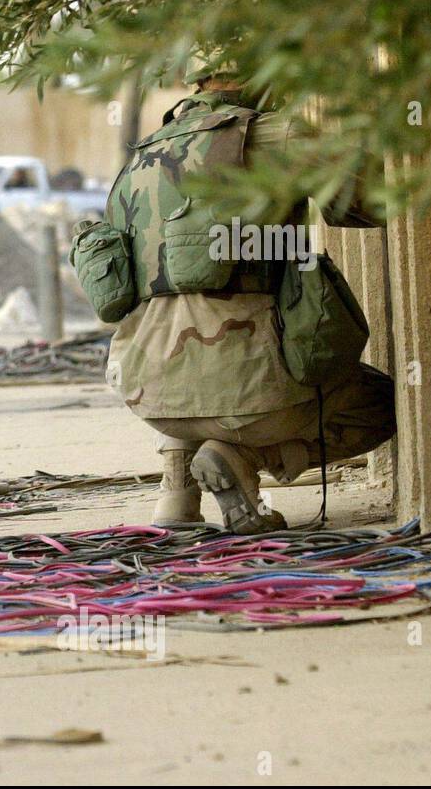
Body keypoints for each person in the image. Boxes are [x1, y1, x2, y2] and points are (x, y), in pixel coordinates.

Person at [98, 63, 395, 533]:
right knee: (383, 406)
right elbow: (376, 202)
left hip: (149, 394)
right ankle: (245, 456)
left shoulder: (139, 156)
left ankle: (177, 491)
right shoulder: (276, 135)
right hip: (255, 394)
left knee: (178, 326)